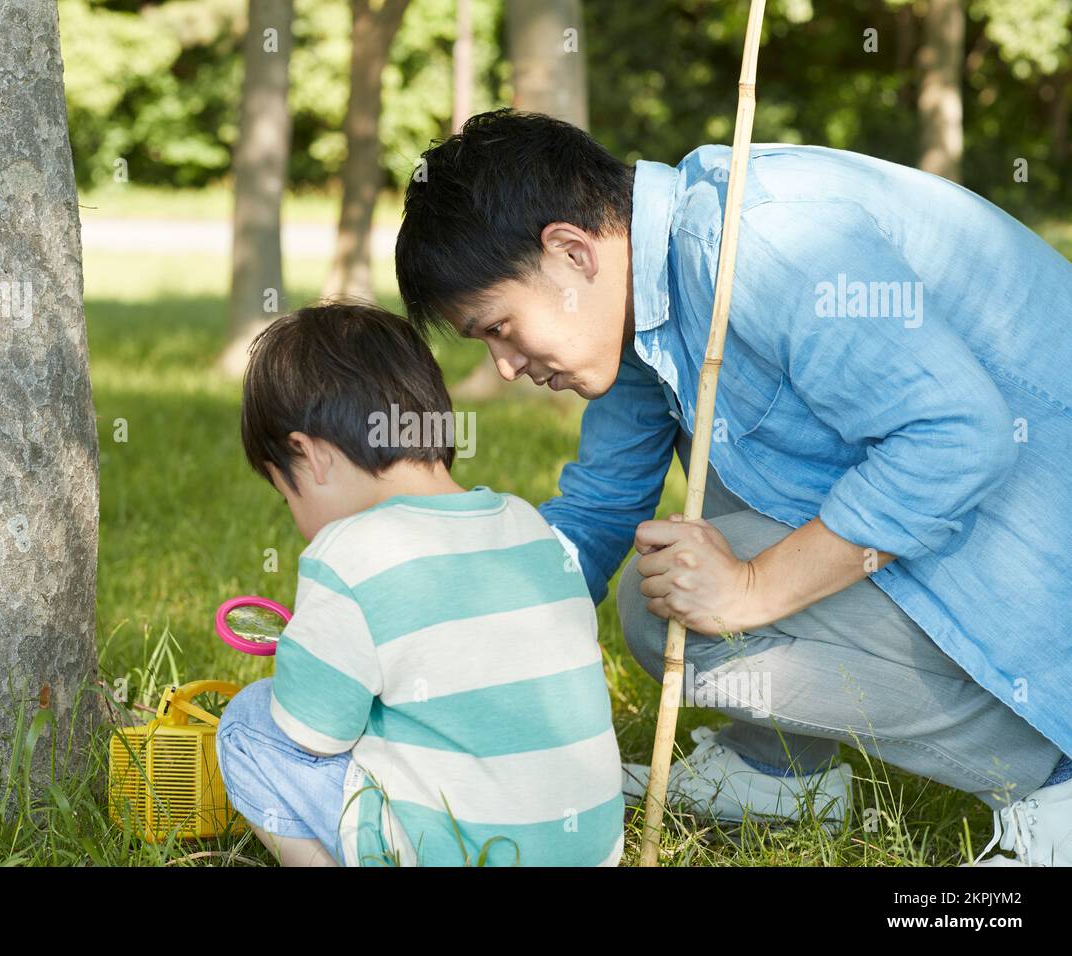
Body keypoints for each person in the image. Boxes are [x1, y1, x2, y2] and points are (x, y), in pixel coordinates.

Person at [394, 109, 1072, 867]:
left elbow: (957, 438)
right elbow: (597, 512)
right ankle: (774, 771)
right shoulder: (643, 299)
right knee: (671, 591)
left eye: (498, 327)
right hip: (992, 535)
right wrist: (451, 640)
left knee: (685, 603)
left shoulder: (762, 244)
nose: (506, 368)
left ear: (570, 250)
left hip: (1041, 538)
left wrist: (752, 589)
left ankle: (1056, 780)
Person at [215, 302, 623, 866]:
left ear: (307, 456)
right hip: (589, 850)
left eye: (286, 495)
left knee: (247, 723)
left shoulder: (346, 554)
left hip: (449, 854)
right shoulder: (532, 527)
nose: (297, 516)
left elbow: (313, 736)